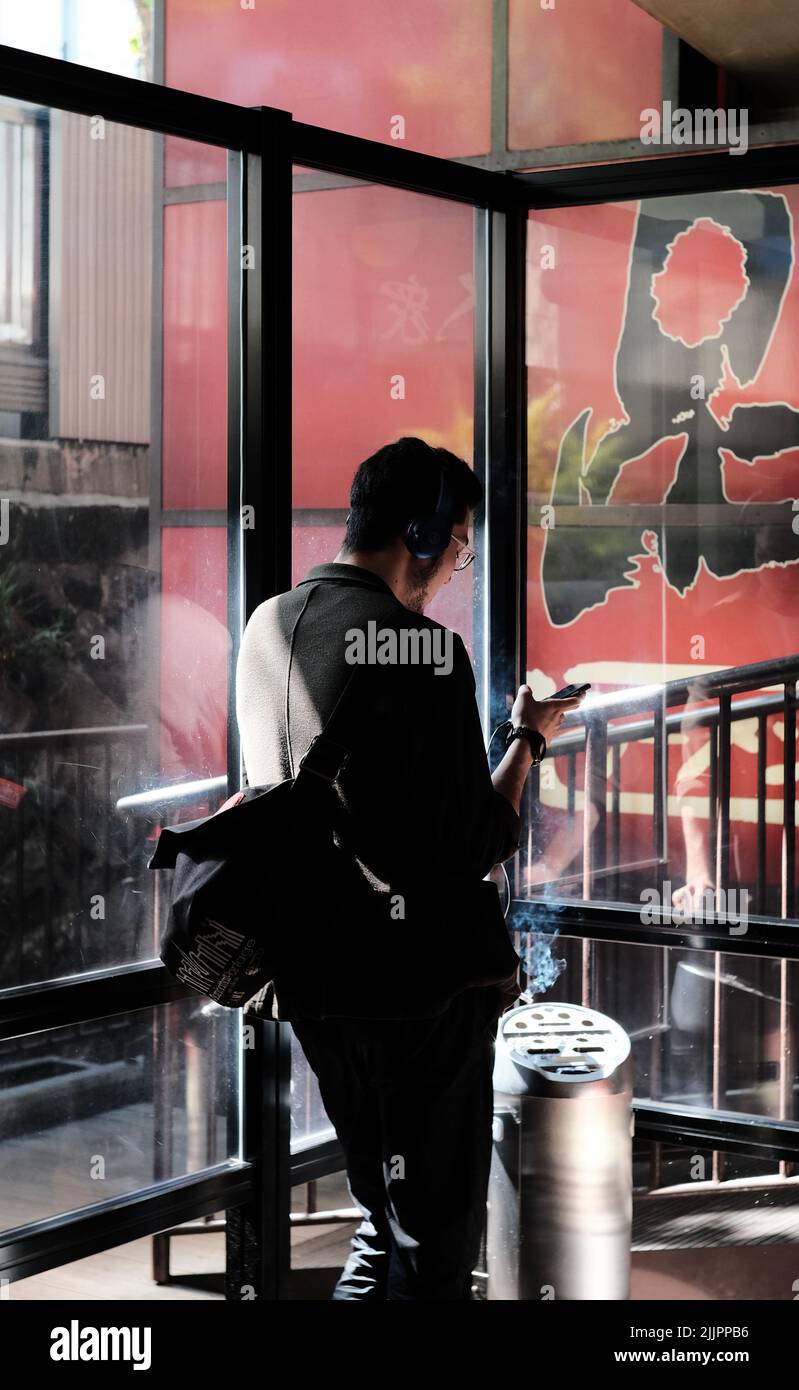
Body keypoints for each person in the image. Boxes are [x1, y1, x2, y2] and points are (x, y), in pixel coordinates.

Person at [234, 436, 582, 1299]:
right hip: (418, 996)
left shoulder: (266, 627)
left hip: (313, 979)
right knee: (436, 1231)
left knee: (382, 1216)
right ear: (424, 531)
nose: (455, 568)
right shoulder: (424, 651)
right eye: (459, 545)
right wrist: (528, 737)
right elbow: (474, 840)